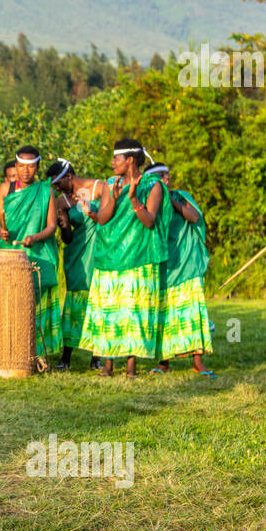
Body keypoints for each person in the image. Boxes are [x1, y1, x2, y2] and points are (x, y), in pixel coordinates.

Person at [80, 138, 166, 378]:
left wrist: (133, 198)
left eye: (116, 158)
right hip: (111, 256)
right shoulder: (110, 184)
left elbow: (149, 221)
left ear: (130, 160)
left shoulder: (153, 186)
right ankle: (108, 365)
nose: (112, 162)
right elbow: (104, 218)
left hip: (138, 257)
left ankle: (131, 367)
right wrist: (116, 198)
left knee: (134, 311)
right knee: (110, 310)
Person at [144, 165, 214, 376]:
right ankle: (163, 362)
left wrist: (171, 199)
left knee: (192, 313)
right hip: (164, 265)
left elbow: (193, 217)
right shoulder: (151, 203)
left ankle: (197, 361)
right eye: (160, 177)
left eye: (166, 175)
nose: (166, 179)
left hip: (186, 264)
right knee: (164, 314)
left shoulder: (181, 197)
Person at [0, 145, 61, 362]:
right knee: (8, 301)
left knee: (32, 304)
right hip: (9, 253)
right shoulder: (6, 189)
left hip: (36, 252)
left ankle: (33, 351)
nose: (25, 171)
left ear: (37, 167)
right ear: (16, 166)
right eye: (21, 166)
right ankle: (6, 347)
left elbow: (52, 226)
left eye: (31, 167)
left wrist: (35, 237)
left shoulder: (46, 191)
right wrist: (0, 231)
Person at [49, 158, 100, 370]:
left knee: (96, 301)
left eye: (59, 183)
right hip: (76, 257)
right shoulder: (62, 201)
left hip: (97, 253)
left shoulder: (96, 189)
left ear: (69, 176)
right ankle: (66, 357)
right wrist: (64, 220)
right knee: (74, 301)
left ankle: (97, 356)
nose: (57, 188)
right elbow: (68, 238)